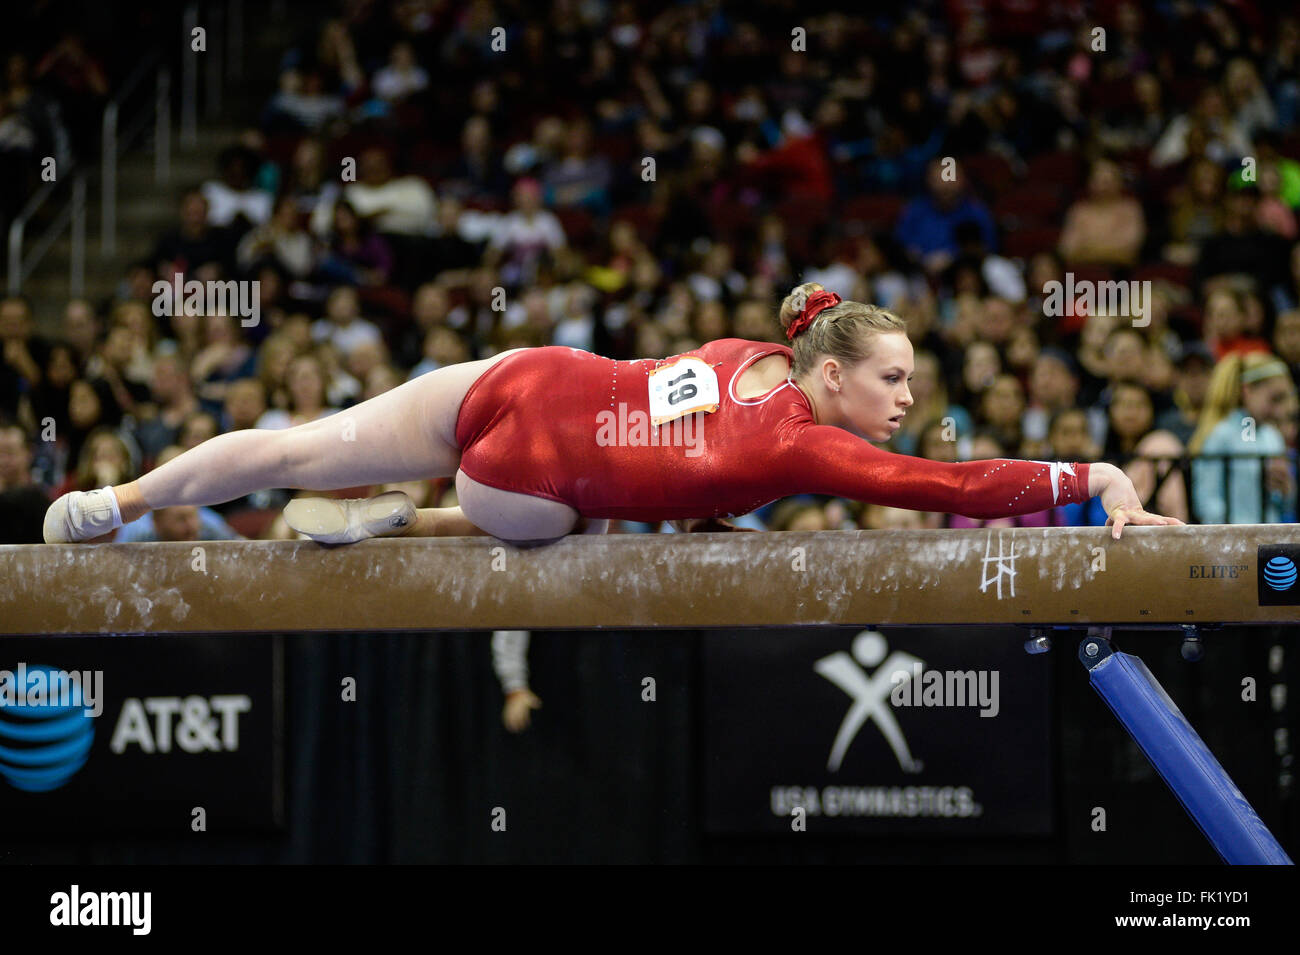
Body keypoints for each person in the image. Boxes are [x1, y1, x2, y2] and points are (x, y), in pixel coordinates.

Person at [43, 283, 1181, 546]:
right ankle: (410, 517)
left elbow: (692, 451)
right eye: (892, 380)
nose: (907, 400)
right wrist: (1099, 480)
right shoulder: (811, 443)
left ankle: (114, 498)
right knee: (585, 533)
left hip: (524, 376)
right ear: (833, 377)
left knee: (300, 444)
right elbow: (950, 488)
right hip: (529, 488)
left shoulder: (755, 357)